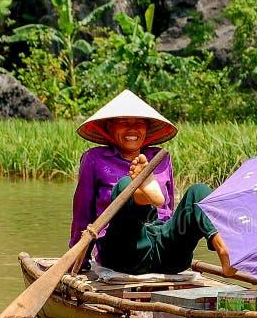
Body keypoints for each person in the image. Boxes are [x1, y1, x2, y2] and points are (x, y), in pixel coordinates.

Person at [69, 89, 236, 276]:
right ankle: (141, 190)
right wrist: (78, 259)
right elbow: (82, 214)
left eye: (139, 123)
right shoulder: (95, 159)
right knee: (125, 185)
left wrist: (173, 233)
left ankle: (226, 251)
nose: (132, 129)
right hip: (124, 253)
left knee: (199, 192)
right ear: (110, 127)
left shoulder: (160, 157)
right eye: (124, 122)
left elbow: (169, 209)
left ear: (147, 128)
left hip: (166, 251)